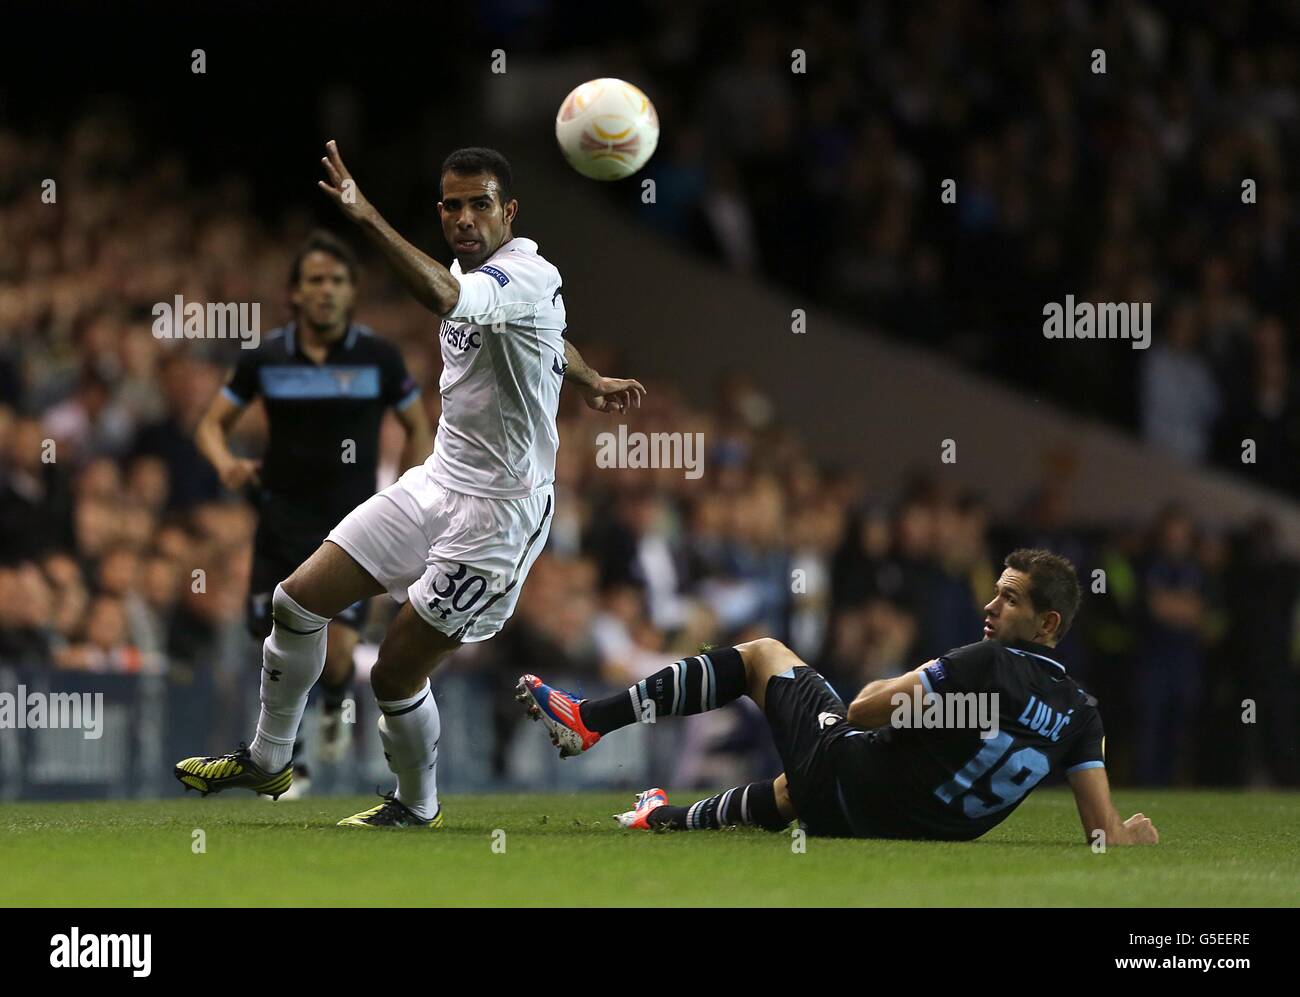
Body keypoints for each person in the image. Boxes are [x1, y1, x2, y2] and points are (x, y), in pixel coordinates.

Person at [176, 142, 645, 828]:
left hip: (499, 515)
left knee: (392, 674)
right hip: (438, 481)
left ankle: (416, 804)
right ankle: (269, 757)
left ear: (508, 211)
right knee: (296, 601)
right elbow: (551, 335)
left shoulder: (522, 273)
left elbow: (446, 296)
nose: (462, 217)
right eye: (451, 205)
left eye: (478, 204)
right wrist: (588, 377)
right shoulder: (480, 271)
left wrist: (366, 216)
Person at [519, 548, 1160, 845]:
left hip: (854, 785)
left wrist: (931, 687)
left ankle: (588, 719)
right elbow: (1101, 832)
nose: (990, 606)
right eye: (995, 592)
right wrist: (1136, 834)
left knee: (764, 655)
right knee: (799, 784)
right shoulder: (1082, 713)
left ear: (1048, 624)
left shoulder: (987, 662)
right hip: (907, 828)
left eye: (1010, 599)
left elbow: (863, 708)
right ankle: (654, 817)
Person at [194, 230, 433, 794]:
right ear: (295, 294)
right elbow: (210, 424)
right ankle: (290, 764)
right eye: (315, 281)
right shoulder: (265, 357)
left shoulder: (378, 357)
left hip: (352, 526)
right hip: (280, 516)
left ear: (351, 293)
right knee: (276, 637)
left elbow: (418, 423)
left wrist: (409, 486)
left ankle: (333, 704)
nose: (326, 290)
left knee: (337, 652)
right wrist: (224, 462)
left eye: (337, 281)